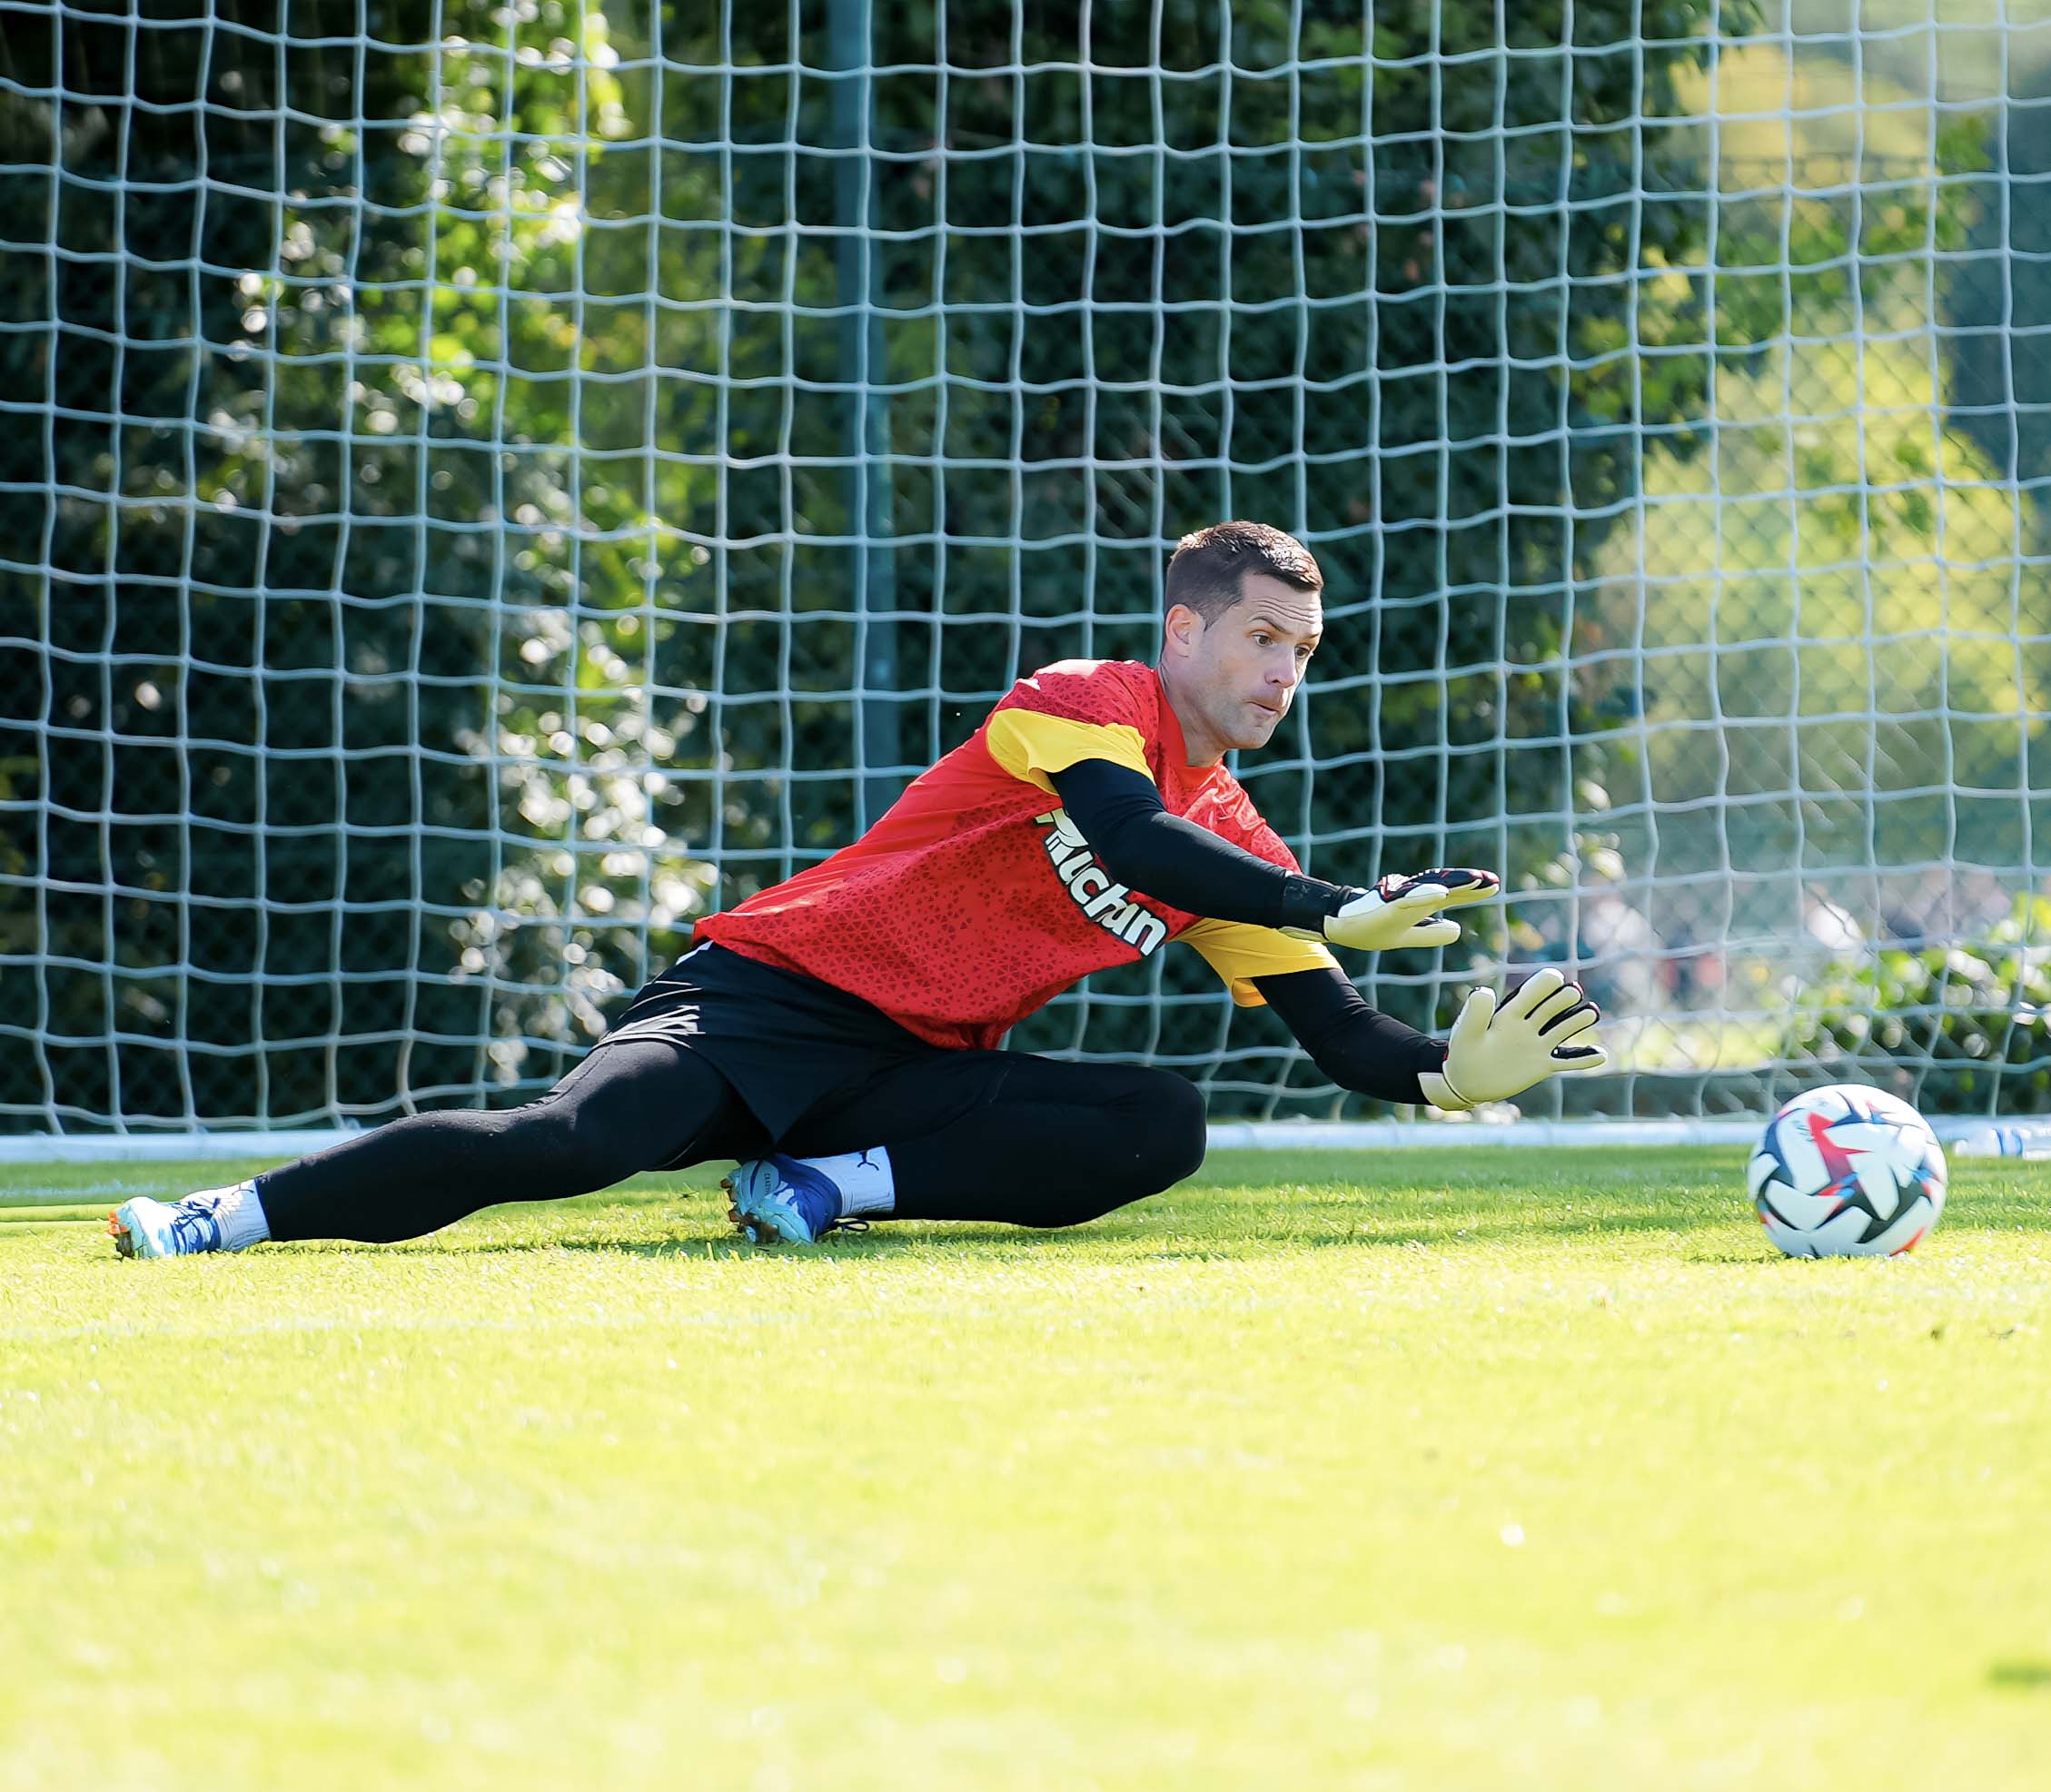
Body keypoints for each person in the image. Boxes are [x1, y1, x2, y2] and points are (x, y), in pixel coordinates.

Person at [107, 520, 1606, 1259]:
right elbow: (1131, 839)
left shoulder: (1240, 848)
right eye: (1263, 638)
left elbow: (1337, 1033)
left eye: (1303, 651)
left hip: (909, 1073)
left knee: (1162, 1122)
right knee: (571, 1141)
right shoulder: (1082, 702)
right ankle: (220, 1217)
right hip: (772, 996)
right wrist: (1328, 902)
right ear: (1184, 631)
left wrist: (1442, 1073)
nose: (1284, 670)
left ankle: (821, 1188)